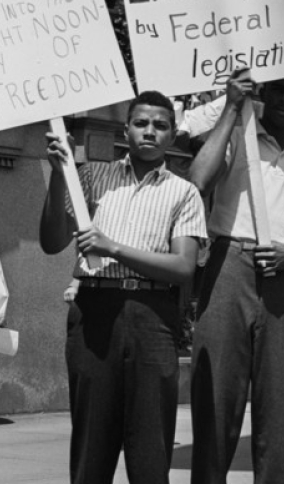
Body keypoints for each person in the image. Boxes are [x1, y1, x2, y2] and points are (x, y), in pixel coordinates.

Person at [39, 91, 206, 484]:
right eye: (141, 123)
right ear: (125, 129)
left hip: (153, 317)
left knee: (150, 447)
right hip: (94, 311)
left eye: (161, 125)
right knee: (91, 446)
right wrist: (59, 176)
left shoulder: (182, 193)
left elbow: (183, 267)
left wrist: (112, 246)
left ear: (172, 133)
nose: (150, 131)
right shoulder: (91, 178)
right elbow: (50, 242)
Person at [187, 70, 284, 484]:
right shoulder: (236, 138)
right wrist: (233, 106)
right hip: (228, 266)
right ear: (264, 94)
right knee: (216, 397)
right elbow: (198, 179)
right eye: (278, 91)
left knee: (278, 403)